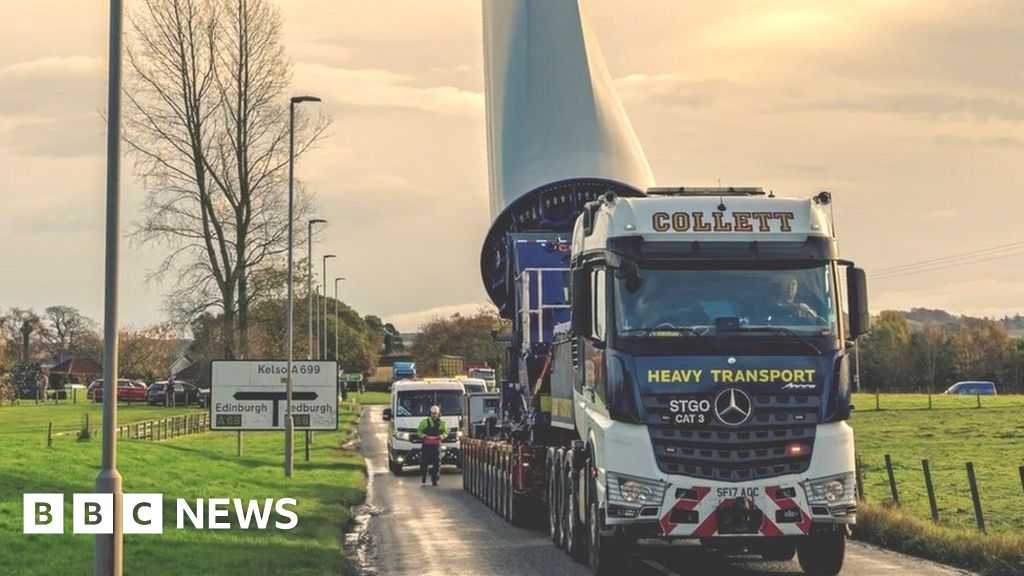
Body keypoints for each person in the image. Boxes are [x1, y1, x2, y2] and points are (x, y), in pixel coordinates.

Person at [418, 405, 447, 485]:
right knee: (424, 462)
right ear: (430, 414)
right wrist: (423, 435)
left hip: (436, 445)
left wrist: (442, 436)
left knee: (437, 462)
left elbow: (446, 432)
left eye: (435, 413)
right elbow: (419, 431)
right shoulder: (424, 422)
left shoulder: (442, 423)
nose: (434, 415)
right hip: (426, 445)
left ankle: (435, 479)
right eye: (432, 413)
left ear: (439, 414)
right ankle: (424, 475)